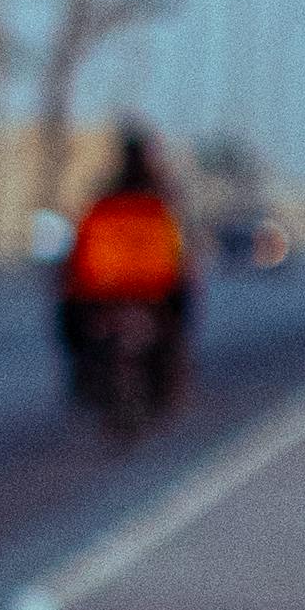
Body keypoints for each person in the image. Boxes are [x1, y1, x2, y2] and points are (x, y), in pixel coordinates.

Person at [58, 124, 195, 424]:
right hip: (150, 290)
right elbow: (180, 256)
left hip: (104, 289)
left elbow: (77, 250)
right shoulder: (161, 199)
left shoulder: (106, 197)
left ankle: (82, 373)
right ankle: (169, 374)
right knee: (179, 317)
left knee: (69, 315)